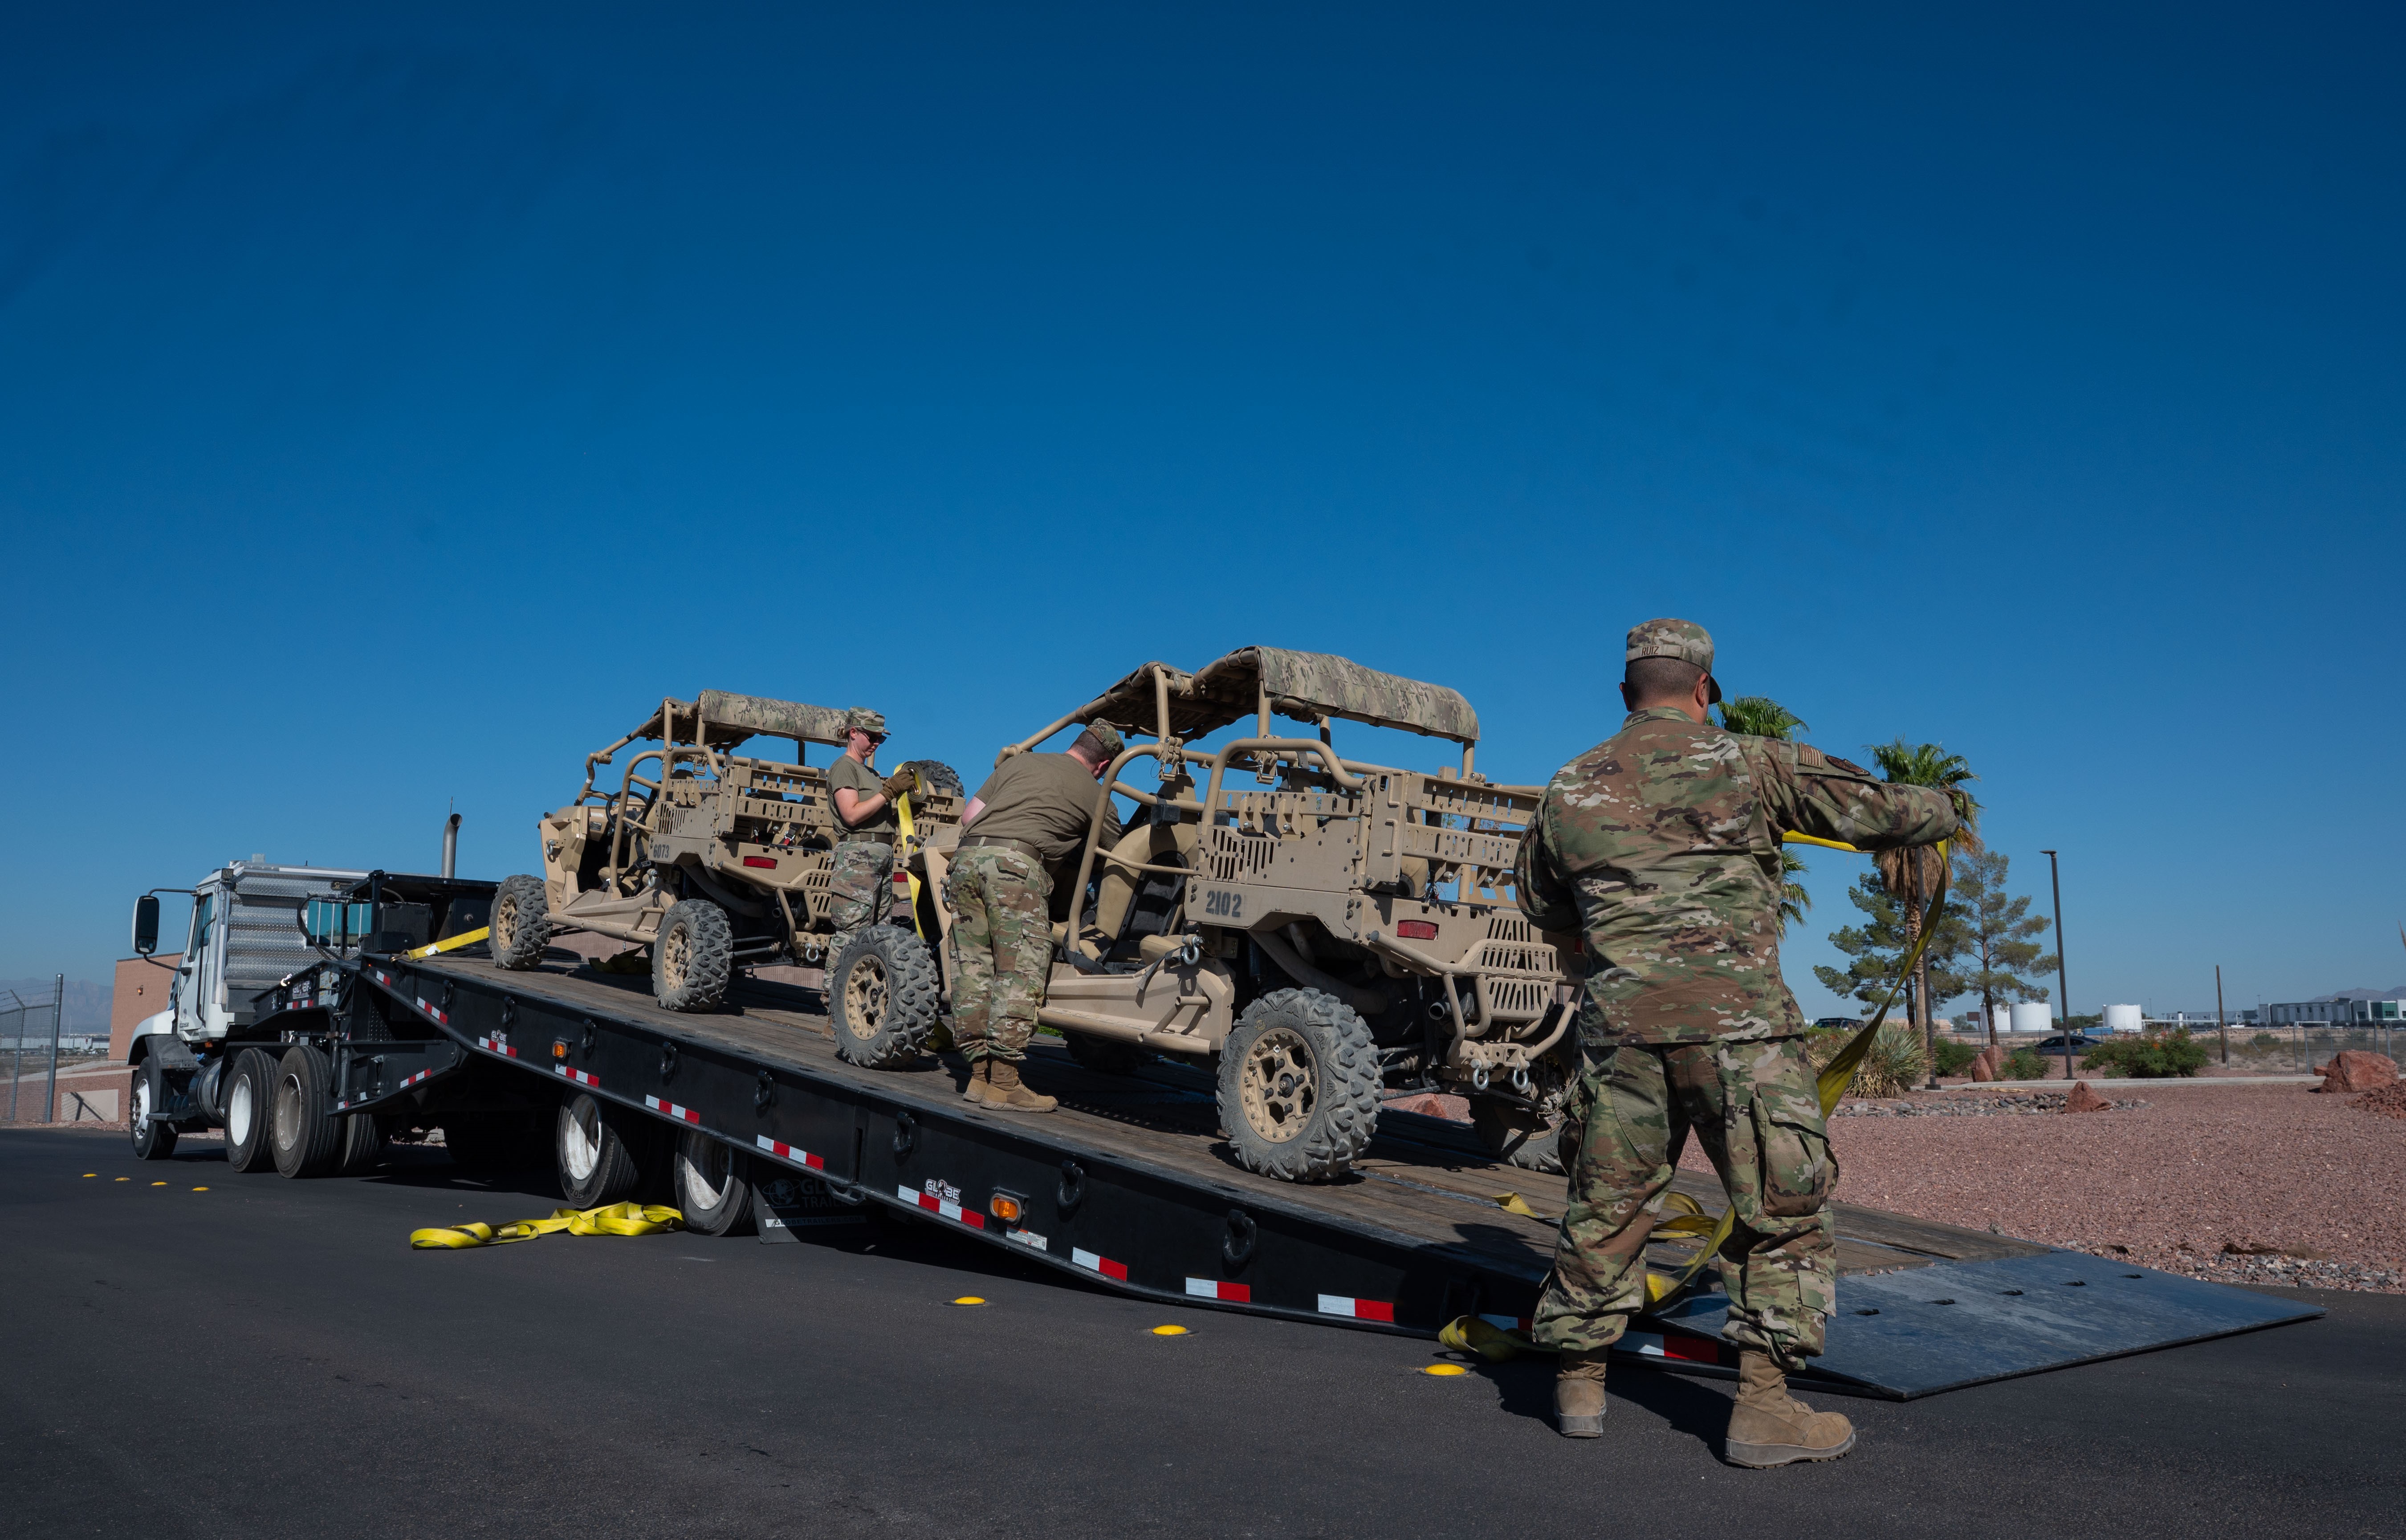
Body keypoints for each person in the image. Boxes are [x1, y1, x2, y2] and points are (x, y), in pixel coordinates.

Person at [1515, 619, 1963, 1464]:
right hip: (1741, 1037)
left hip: (1620, 1037)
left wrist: (1611, 968)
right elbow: (1885, 811)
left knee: (1607, 1203)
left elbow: (1541, 903)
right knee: (1780, 1211)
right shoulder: (1754, 761)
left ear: (1624, 694)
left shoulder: (1568, 786)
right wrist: (1946, 807)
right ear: (1704, 690)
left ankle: (1578, 1380)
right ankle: (1762, 1407)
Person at [944, 723, 1123, 1112]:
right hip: (1015, 871)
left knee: (973, 970)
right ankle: (1004, 1084)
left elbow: (968, 816)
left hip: (965, 861)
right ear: (1104, 764)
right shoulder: (1098, 793)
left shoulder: (1017, 764)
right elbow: (1117, 854)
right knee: (1019, 973)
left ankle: (977, 1077)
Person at [823, 708, 919, 965]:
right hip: (858, 857)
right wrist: (888, 792)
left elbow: (880, 815)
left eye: (881, 739)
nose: (877, 743)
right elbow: (852, 815)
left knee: (879, 933)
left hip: (881, 855)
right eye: (872, 737)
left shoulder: (872, 775)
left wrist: (909, 806)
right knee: (852, 933)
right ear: (853, 733)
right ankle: (833, 997)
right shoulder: (844, 767)